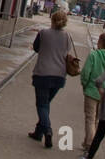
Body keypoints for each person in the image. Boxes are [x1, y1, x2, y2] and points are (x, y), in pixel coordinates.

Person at [27, 10, 77, 149]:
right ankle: (38, 132)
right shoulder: (68, 37)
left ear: (52, 20)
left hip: (43, 74)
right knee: (46, 104)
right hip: (59, 76)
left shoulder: (43, 33)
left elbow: (36, 48)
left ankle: (47, 130)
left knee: (42, 105)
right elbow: (67, 52)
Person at [80, 32, 105, 148]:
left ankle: (90, 143)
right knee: (95, 119)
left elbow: (86, 73)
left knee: (90, 118)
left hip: (91, 90)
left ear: (100, 42)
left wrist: (84, 84)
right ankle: (87, 141)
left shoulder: (93, 55)